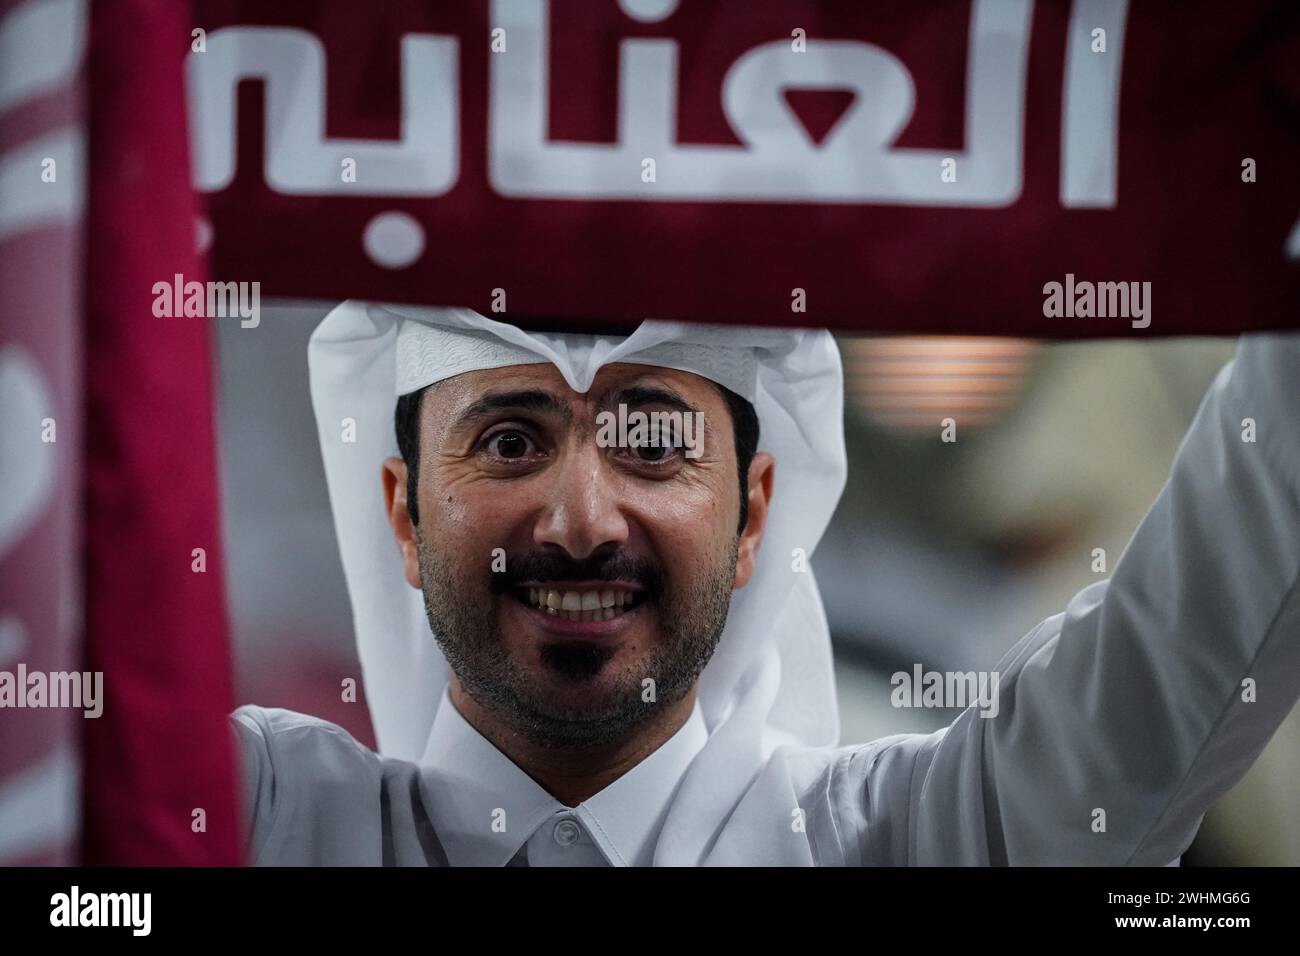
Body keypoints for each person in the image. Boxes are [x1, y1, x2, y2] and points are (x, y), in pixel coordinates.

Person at [231, 301, 1300, 865]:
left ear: (752, 513)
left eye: (651, 441)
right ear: (405, 513)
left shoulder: (919, 841)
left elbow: (1218, 597)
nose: (581, 520)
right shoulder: (250, 821)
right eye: (511, 440)